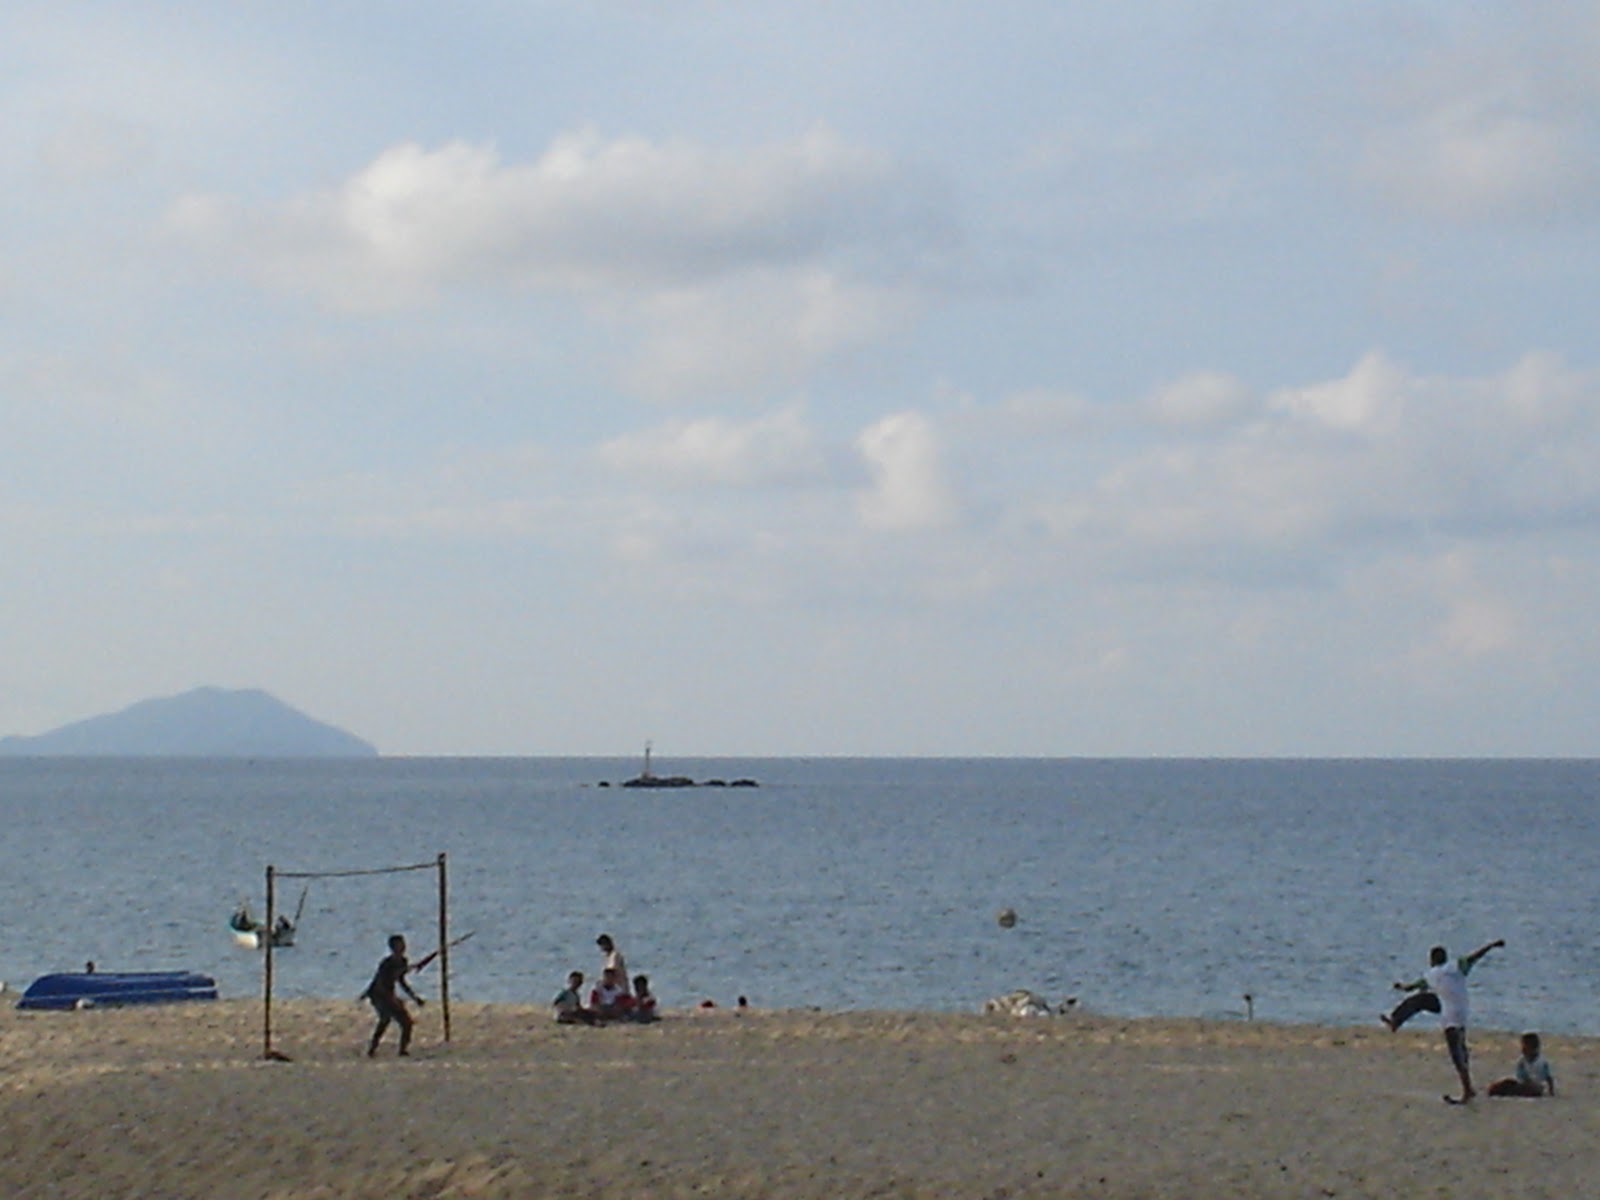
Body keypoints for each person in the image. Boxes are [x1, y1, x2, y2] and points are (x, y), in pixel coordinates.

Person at [1385, 939, 1505, 1104]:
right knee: (1459, 1046)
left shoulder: (1431, 975)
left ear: (1432, 960)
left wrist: (1402, 987)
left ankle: (1467, 1091)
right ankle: (1395, 1020)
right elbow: (1476, 956)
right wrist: (1492, 945)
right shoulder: (1457, 966)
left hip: (1449, 1015)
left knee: (1457, 1052)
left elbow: (1413, 987)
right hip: (1461, 1010)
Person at [361, 934, 425, 1057]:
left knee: (403, 1023)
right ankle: (373, 1049)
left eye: (403, 944)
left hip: (388, 995)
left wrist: (415, 998)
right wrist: (392, 999)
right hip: (378, 995)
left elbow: (401, 981)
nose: (402, 947)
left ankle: (400, 1050)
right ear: (392, 948)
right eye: (399, 945)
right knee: (388, 1020)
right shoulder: (386, 963)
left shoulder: (402, 961)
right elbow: (379, 982)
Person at [1489, 1032, 1556, 1098]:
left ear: (1534, 1048)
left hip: (1536, 1086)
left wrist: (1551, 1091)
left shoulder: (1542, 1062)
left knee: (1528, 1089)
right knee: (1506, 1082)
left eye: (1525, 1046)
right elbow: (1520, 1076)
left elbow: (1548, 1078)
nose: (1522, 1049)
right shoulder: (1522, 1061)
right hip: (1523, 1084)